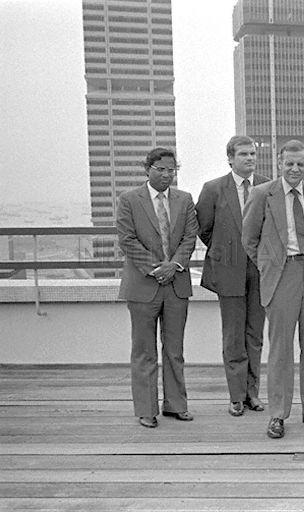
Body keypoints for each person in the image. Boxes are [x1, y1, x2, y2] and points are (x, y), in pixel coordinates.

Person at [242, 139, 304, 439]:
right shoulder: (262, 194)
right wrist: (268, 266)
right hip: (281, 275)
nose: (295, 169)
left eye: (300, 164)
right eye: (289, 163)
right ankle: (278, 414)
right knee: (280, 349)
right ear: (279, 163)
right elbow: (249, 238)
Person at [116, 147, 199, 428]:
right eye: (161, 169)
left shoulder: (185, 199)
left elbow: (190, 237)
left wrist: (173, 266)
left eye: (171, 170)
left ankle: (176, 405)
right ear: (147, 169)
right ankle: (146, 410)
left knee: (174, 349)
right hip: (142, 285)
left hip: (176, 283)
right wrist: (156, 267)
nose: (166, 174)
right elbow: (127, 240)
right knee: (144, 351)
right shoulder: (129, 200)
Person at [197, 136, 270, 417]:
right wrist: (227, 251)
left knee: (255, 334)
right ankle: (236, 395)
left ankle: (253, 393)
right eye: (243, 154)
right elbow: (205, 229)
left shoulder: (267, 186)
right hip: (228, 271)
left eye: (252, 153)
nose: (249, 158)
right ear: (230, 158)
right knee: (233, 336)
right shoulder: (214, 189)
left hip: (260, 271)